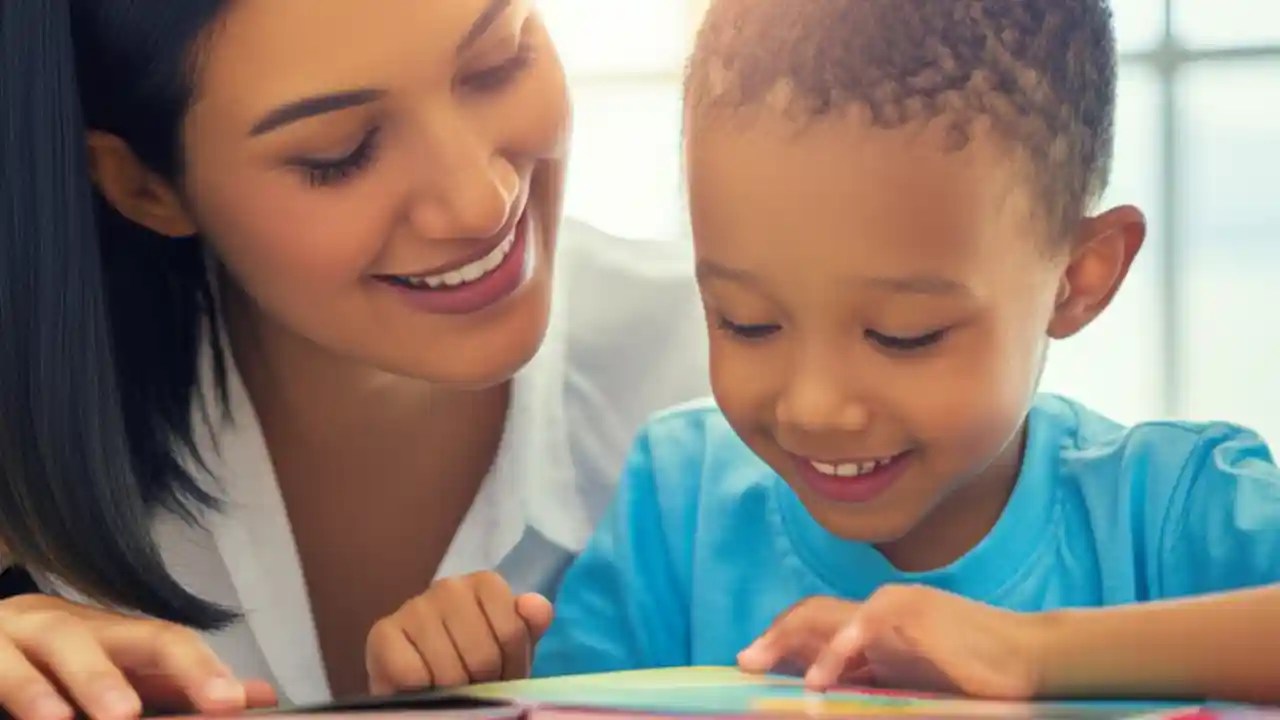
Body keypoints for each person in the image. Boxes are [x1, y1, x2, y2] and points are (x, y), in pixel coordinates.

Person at [529, 0, 1280, 705]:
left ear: (1079, 278)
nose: (815, 408)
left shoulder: (1171, 514)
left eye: (903, 335)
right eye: (746, 322)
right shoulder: (677, 504)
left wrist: (1035, 653)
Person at [0, 1, 709, 718]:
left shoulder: (729, 383)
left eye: (498, 63)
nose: (481, 202)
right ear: (143, 187)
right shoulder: (32, 464)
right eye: (339, 154)